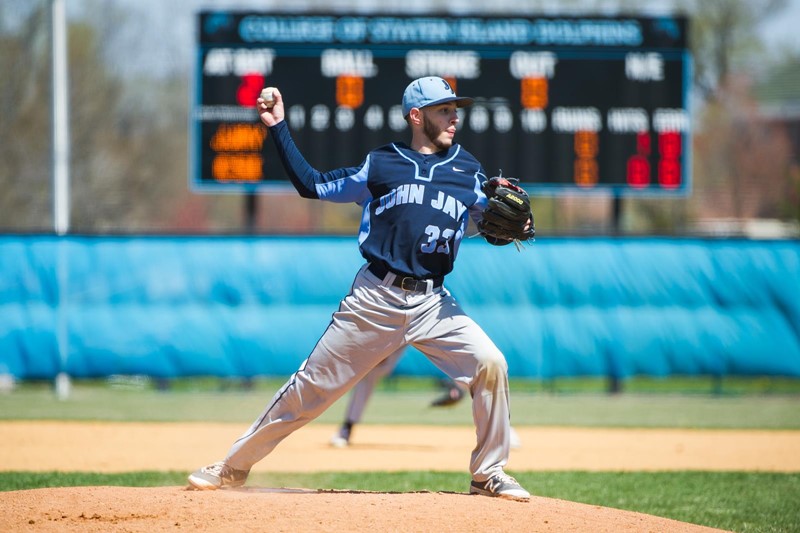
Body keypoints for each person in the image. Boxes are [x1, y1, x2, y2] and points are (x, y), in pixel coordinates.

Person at [188, 76, 531, 501]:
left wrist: (520, 224)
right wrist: (278, 127)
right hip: (373, 299)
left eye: (455, 108)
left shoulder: (467, 170)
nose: (454, 116)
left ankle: (488, 473)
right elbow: (311, 184)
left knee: (490, 362)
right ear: (416, 115)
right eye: (444, 109)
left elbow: (497, 220)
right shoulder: (382, 164)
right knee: (308, 390)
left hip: (432, 303)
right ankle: (232, 466)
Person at [329, 347, 523, 450]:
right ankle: (347, 427)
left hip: (428, 312)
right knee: (372, 371)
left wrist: (459, 386)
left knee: (477, 363)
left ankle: (502, 429)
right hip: (396, 315)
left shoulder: (440, 289)